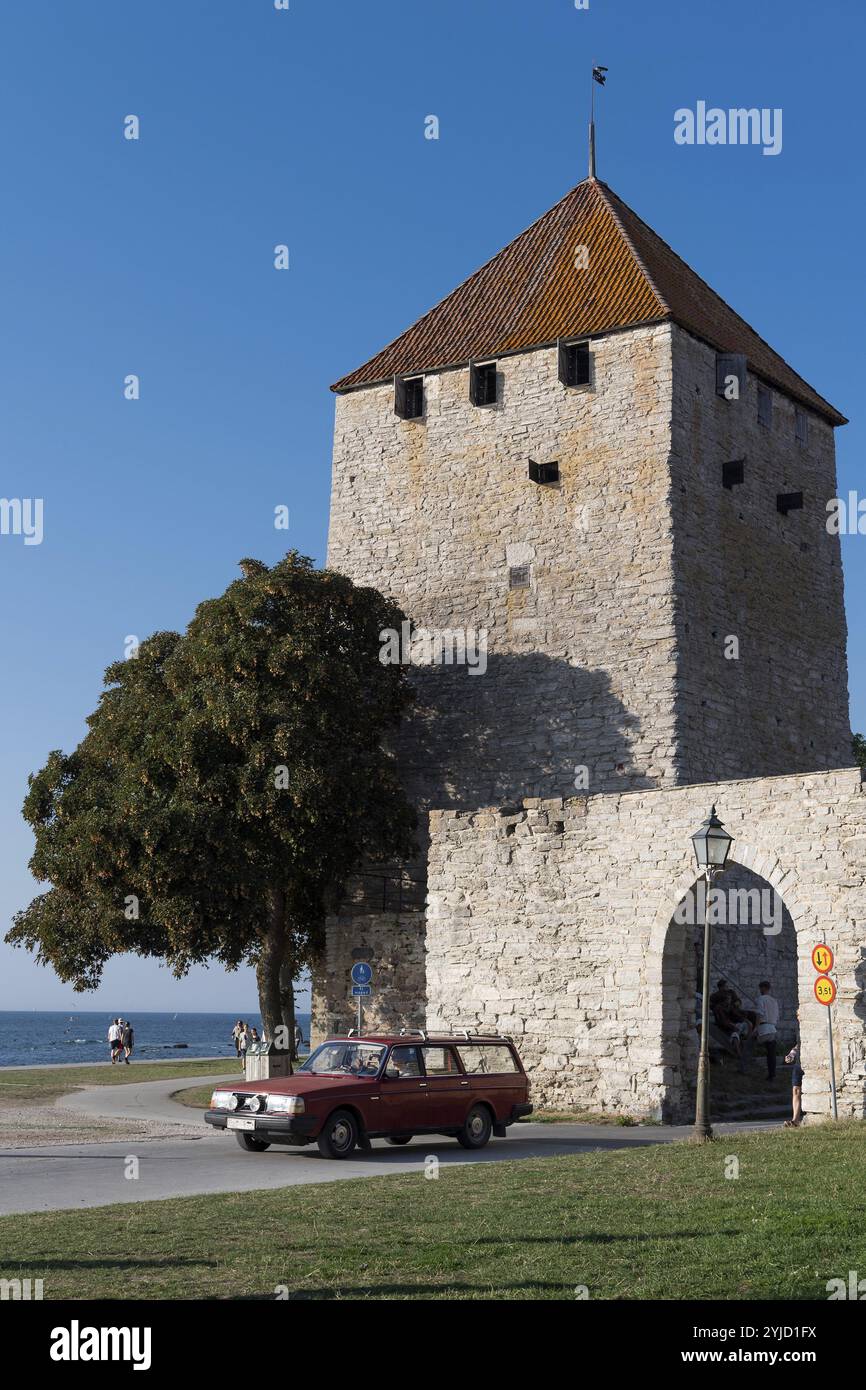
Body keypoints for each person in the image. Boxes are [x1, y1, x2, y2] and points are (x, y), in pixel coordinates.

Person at [754, 980, 779, 1081]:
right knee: (771, 1053)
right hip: (772, 1029)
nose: (760, 990)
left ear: (763, 988)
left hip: (763, 1028)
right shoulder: (774, 1001)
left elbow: (759, 1014)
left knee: (748, 1044)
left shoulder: (761, 999)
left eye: (760, 988)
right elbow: (777, 1017)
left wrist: (755, 1028)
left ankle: (744, 1067)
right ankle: (772, 1074)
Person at [784, 1010, 804, 1127]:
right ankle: (795, 1120)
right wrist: (791, 1054)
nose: (798, 1016)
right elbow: (798, 1044)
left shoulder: (810, 1027)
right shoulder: (798, 1028)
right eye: (797, 1014)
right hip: (798, 1062)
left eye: (799, 1014)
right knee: (796, 1090)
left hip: (810, 1062)